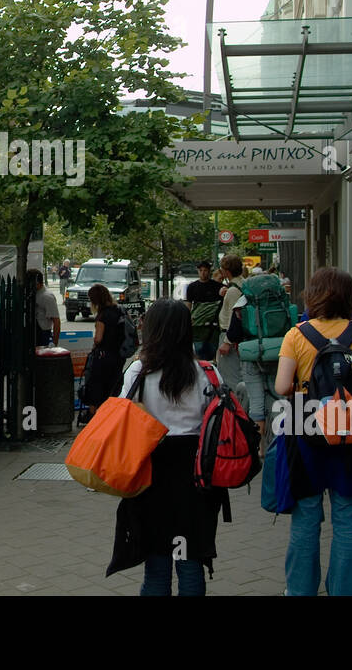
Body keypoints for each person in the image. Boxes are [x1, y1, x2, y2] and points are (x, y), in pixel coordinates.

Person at [275, 267, 352, 597]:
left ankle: (299, 591)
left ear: (312, 296)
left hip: (306, 431)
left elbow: (283, 386)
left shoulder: (296, 335)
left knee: (306, 519)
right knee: (348, 520)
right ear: (349, 299)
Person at [106, 298, 227, 595]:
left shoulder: (139, 372)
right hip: (198, 478)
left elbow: (121, 417)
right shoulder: (208, 373)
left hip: (150, 475)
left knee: (157, 562)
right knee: (190, 560)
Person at [213, 254, 249, 428]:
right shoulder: (241, 284)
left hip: (229, 337)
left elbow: (235, 317)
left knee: (229, 377)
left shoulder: (233, 291)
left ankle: (235, 414)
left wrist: (227, 341)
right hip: (235, 339)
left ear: (226, 270)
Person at [79, 284, 125, 418]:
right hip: (118, 355)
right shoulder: (118, 310)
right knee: (113, 384)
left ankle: (93, 413)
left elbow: (98, 339)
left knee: (96, 383)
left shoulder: (103, 315)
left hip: (103, 355)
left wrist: (94, 345)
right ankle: (110, 413)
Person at [184, 260, 222, 360]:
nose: (203, 273)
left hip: (212, 325)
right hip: (197, 324)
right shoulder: (192, 287)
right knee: (199, 349)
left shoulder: (217, 286)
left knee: (211, 349)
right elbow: (188, 304)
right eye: (200, 270)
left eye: (205, 270)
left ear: (209, 271)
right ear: (198, 271)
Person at [28, 268, 61, 347]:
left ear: (37, 283)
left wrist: (54, 343)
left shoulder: (47, 297)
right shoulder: (33, 293)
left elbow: (56, 321)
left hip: (43, 334)